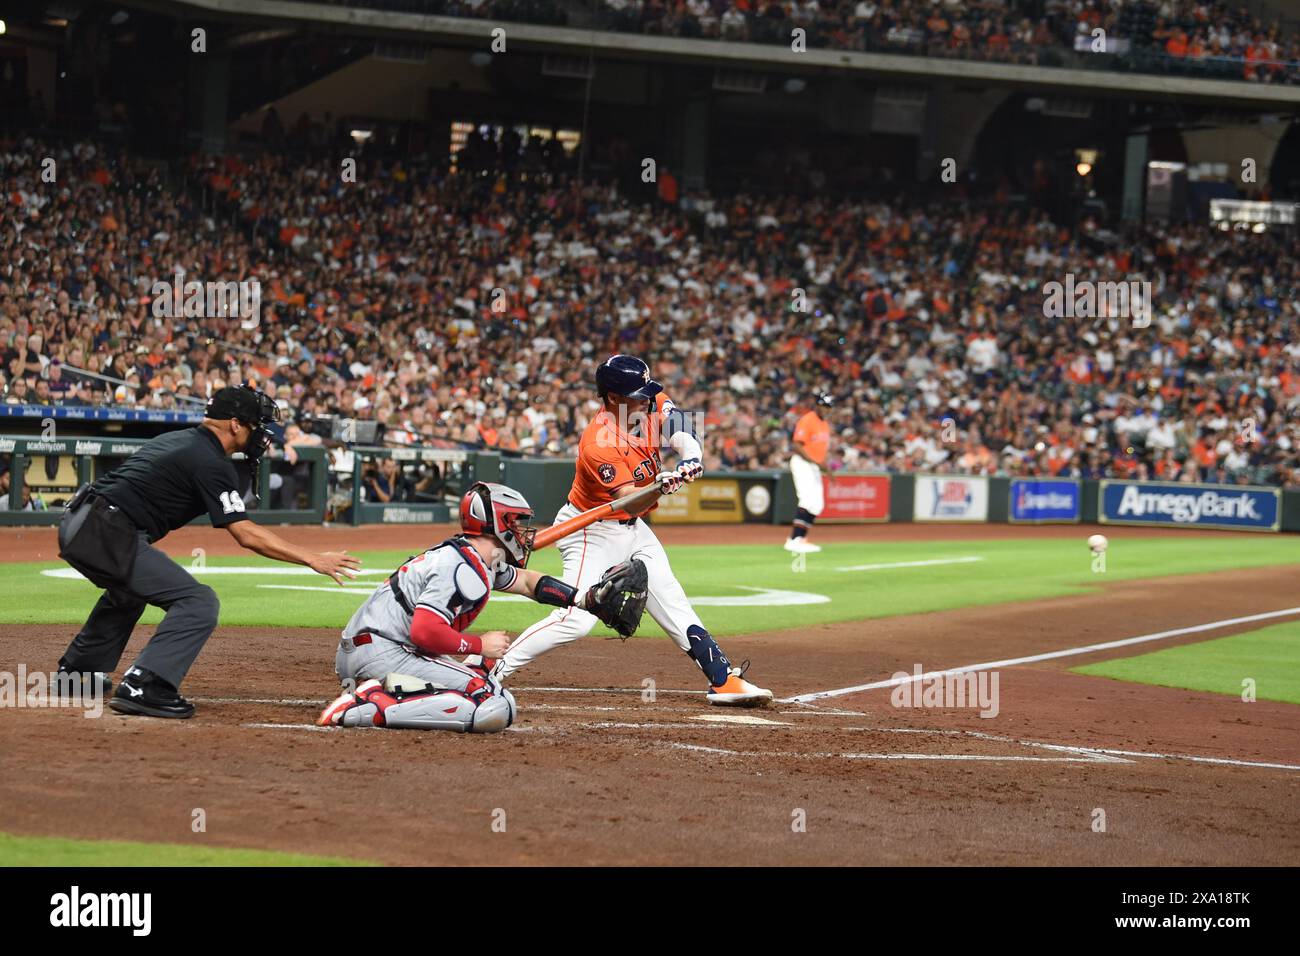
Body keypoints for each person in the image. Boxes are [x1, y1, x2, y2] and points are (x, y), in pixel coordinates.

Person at [56, 384, 361, 719]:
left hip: (81, 522)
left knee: (128, 592)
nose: (260, 434)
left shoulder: (183, 440)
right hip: (106, 530)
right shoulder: (209, 460)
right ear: (234, 424)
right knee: (198, 602)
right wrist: (313, 558)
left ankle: (77, 675)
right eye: (255, 426)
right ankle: (146, 685)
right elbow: (246, 534)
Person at [491, 354, 773, 706]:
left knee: (671, 599)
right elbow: (627, 501)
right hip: (590, 529)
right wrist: (661, 487)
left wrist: (689, 458)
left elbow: (681, 427)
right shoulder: (598, 443)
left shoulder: (646, 404)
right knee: (574, 620)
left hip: (632, 529)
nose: (646, 399)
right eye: (636, 394)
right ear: (612, 397)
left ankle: (723, 679)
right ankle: (490, 671)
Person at [318, 482, 645, 732]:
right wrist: (478, 644)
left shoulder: (476, 557)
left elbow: (530, 583)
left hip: (369, 648)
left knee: (485, 674)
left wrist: (584, 599)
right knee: (495, 705)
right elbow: (424, 631)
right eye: (516, 522)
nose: (523, 531)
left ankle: (388, 691)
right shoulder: (464, 567)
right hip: (383, 652)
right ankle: (371, 706)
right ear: (498, 523)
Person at [785, 393, 833, 554]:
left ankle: (802, 538)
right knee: (806, 499)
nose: (826, 409)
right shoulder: (808, 419)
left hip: (813, 465)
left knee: (817, 504)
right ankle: (794, 539)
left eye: (828, 407)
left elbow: (819, 450)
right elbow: (797, 445)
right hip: (802, 462)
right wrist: (815, 462)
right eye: (824, 406)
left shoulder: (824, 424)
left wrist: (825, 467)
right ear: (817, 405)